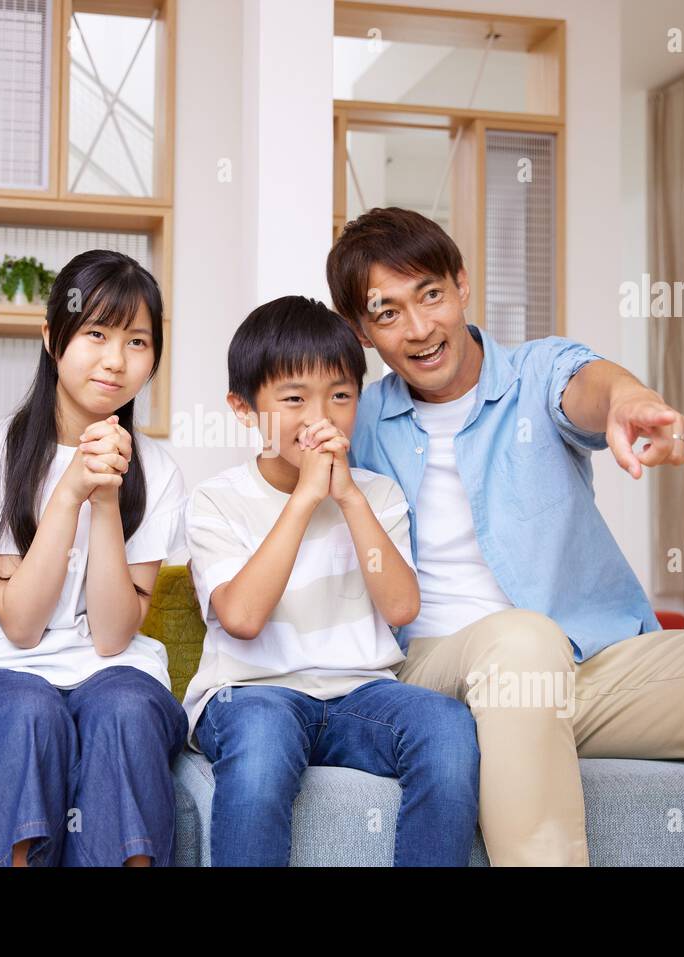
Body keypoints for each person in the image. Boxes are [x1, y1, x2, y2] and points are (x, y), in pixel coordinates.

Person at [327, 205, 684, 866]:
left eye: (431, 295)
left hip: (590, 665)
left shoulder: (535, 374)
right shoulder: (358, 425)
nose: (419, 328)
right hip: (443, 674)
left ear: (462, 284)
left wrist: (627, 400)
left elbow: (589, 385)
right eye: (387, 313)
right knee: (522, 638)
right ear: (362, 330)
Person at [183, 295, 480, 867]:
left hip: (359, 695)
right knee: (265, 741)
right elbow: (242, 620)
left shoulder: (376, 495)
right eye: (294, 398)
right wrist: (304, 500)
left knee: (446, 727)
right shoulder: (217, 500)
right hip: (252, 692)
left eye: (340, 396)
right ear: (245, 409)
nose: (321, 417)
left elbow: (400, 608)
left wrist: (346, 497)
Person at [0, 249, 188, 867]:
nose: (115, 360)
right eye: (96, 333)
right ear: (52, 337)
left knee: (124, 707)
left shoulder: (159, 471)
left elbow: (113, 638)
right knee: (29, 712)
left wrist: (106, 503)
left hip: (114, 675)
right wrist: (70, 490)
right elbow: (21, 625)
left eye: (137, 341)